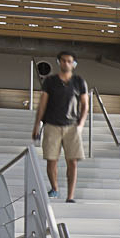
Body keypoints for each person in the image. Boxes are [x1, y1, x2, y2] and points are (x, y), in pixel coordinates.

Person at [32, 50, 88, 202]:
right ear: (59, 62)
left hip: (72, 126)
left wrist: (81, 125)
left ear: (74, 64)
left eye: (69, 61)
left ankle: (70, 196)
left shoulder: (79, 81)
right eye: (63, 60)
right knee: (52, 159)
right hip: (52, 125)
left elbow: (85, 105)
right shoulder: (50, 81)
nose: (66, 63)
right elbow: (42, 105)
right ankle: (55, 188)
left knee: (73, 162)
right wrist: (37, 125)